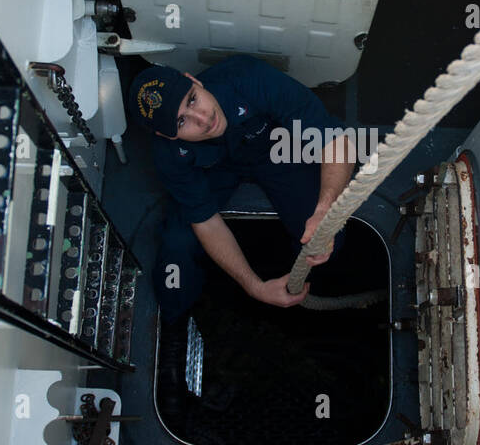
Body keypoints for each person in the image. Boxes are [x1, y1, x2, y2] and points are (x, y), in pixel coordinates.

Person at [128, 55, 356, 327]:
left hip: (275, 150)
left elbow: (335, 141)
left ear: (194, 80)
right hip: (217, 171)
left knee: (329, 236)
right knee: (177, 243)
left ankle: (298, 278)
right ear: (167, 137)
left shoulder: (248, 78)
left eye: (192, 99)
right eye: (181, 122)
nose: (203, 119)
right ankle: (174, 321)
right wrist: (253, 286)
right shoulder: (168, 154)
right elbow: (206, 221)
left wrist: (323, 210)